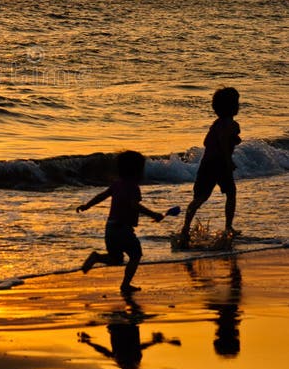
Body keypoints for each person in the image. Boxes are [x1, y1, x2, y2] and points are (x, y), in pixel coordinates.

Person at [76, 150, 165, 294]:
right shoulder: (134, 187)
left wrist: (87, 205)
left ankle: (96, 257)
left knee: (116, 258)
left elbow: (102, 196)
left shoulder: (117, 184)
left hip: (110, 228)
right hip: (124, 229)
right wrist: (153, 214)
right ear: (137, 171)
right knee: (136, 255)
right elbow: (134, 205)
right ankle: (125, 285)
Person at [180, 87, 241, 247]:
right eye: (236, 102)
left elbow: (207, 142)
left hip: (207, 163)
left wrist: (232, 139)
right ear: (232, 107)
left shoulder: (217, 124)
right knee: (231, 193)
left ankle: (185, 228)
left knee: (200, 198)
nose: (238, 105)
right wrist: (228, 160)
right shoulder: (230, 124)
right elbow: (223, 142)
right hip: (220, 163)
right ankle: (228, 226)